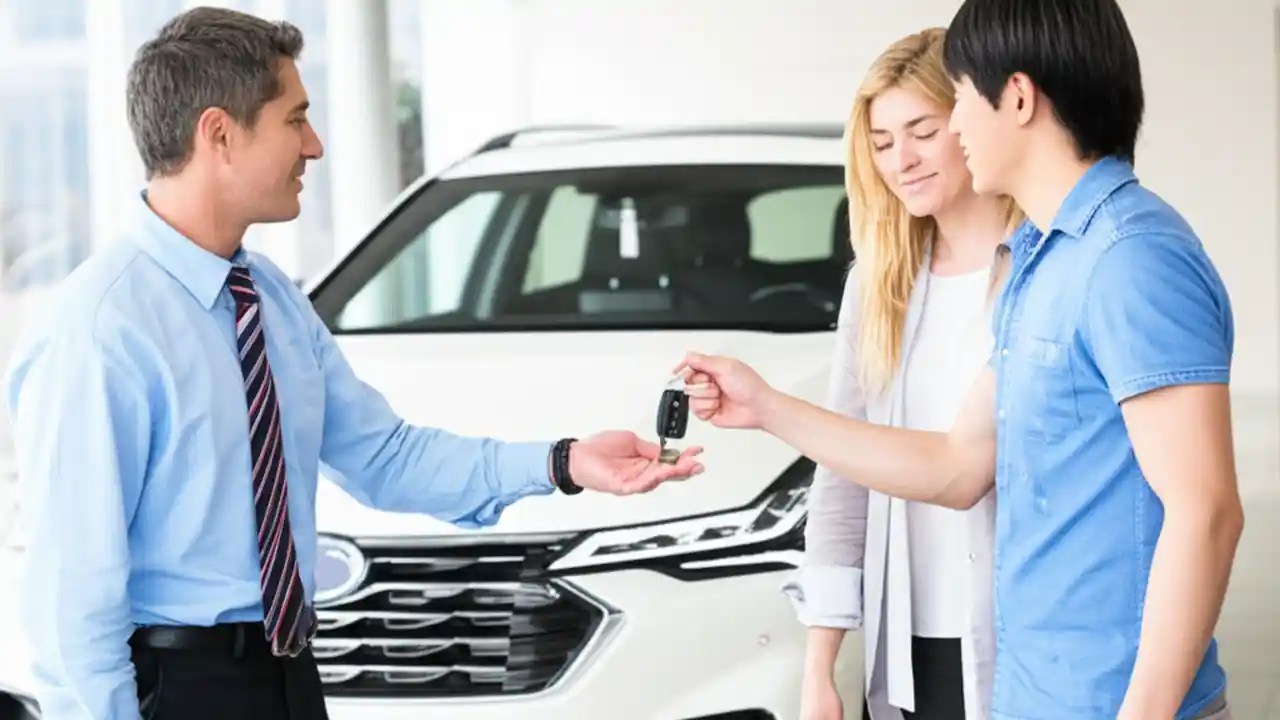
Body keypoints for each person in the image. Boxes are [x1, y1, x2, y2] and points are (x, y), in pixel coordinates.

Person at [3, 8, 704, 720]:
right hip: (176, 691)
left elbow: (386, 457)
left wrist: (563, 463)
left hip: (288, 680)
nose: (315, 146)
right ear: (218, 134)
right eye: (294, 119)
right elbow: (72, 603)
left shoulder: (270, 301)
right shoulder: (100, 330)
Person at [677, 0, 1243, 718]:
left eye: (960, 100)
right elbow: (955, 467)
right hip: (1028, 698)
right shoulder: (1044, 261)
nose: (955, 128)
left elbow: (1207, 512)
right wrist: (765, 407)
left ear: (1017, 97)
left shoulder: (1132, 258)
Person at [780, 28, 1019, 720]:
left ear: (972, 123)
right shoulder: (879, 286)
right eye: (882, 143)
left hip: (1024, 644)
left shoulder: (1040, 269)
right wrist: (819, 666)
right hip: (912, 649)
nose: (901, 160)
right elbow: (843, 474)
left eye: (922, 131)